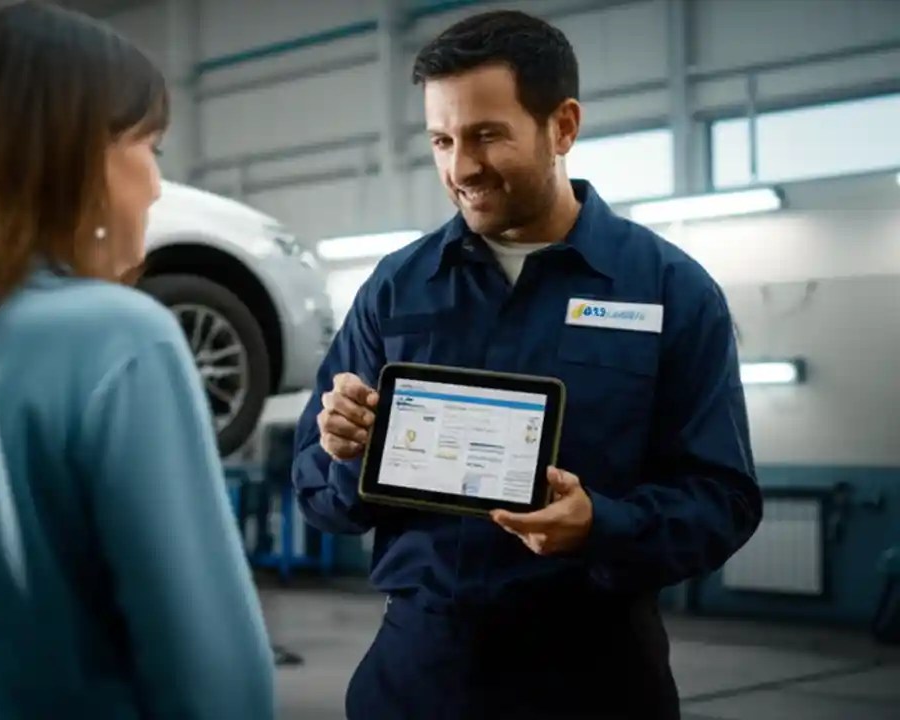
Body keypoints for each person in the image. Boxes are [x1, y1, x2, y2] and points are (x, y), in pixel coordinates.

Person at [292, 10, 763, 720]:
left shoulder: (669, 291)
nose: (460, 168)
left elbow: (722, 500)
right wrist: (340, 453)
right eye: (442, 140)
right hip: (420, 674)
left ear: (563, 126)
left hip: (594, 678)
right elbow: (317, 495)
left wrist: (599, 525)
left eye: (486, 135)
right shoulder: (396, 288)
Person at [0, 3, 274, 719]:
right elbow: (217, 682)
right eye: (151, 148)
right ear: (80, 157)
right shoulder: (122, 340)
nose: (158, 186)